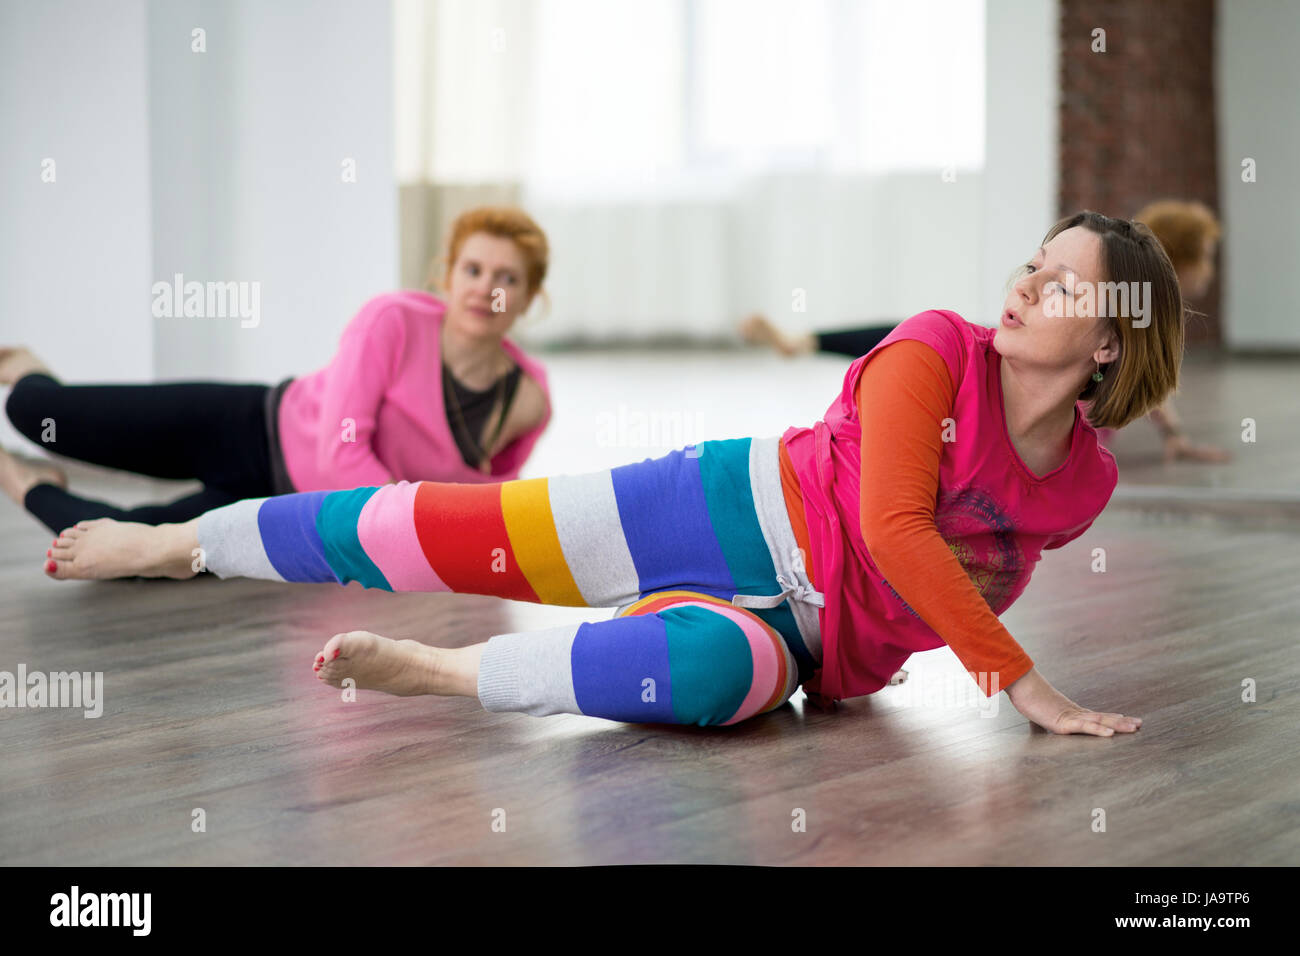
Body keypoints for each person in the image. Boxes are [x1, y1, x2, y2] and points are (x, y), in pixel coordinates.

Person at [43, 211, 1181, 739]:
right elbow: (894, 529)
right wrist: (1022, 685)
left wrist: (858, 665)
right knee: (432, 528)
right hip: (718, 508)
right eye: (1031, 262)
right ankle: (183, 542)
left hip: (798, 647)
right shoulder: (933, 348)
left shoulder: (1082, 483)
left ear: (1110, 343)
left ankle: (442, 674)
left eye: (1061, 284)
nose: (1024, 284)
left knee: (708, 682)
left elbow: (971, 576)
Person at [0, 206, 554, 534]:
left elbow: (484, 501)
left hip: (288, 509)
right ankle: (27, 368)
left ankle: (25, 482)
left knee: (130, 547)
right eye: (473, 268)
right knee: (33, 411)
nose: (486, 288)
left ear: (529, 299)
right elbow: (342, 452)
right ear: (448, 275)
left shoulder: (528, 402)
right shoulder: (393, 320)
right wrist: (406, 530)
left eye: (507, 278)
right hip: (247, 427)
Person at [741, 198, 1227, 463]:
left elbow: (1148, 387)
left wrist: (1173, 436)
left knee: (922, 338)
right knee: (922, 338)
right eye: (1034, 269)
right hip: (1037, 430)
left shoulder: (1128, 326)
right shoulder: (1123, 315)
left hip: (1045, 437)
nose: (1025, 284)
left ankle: (800, 342)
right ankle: (800, 341)